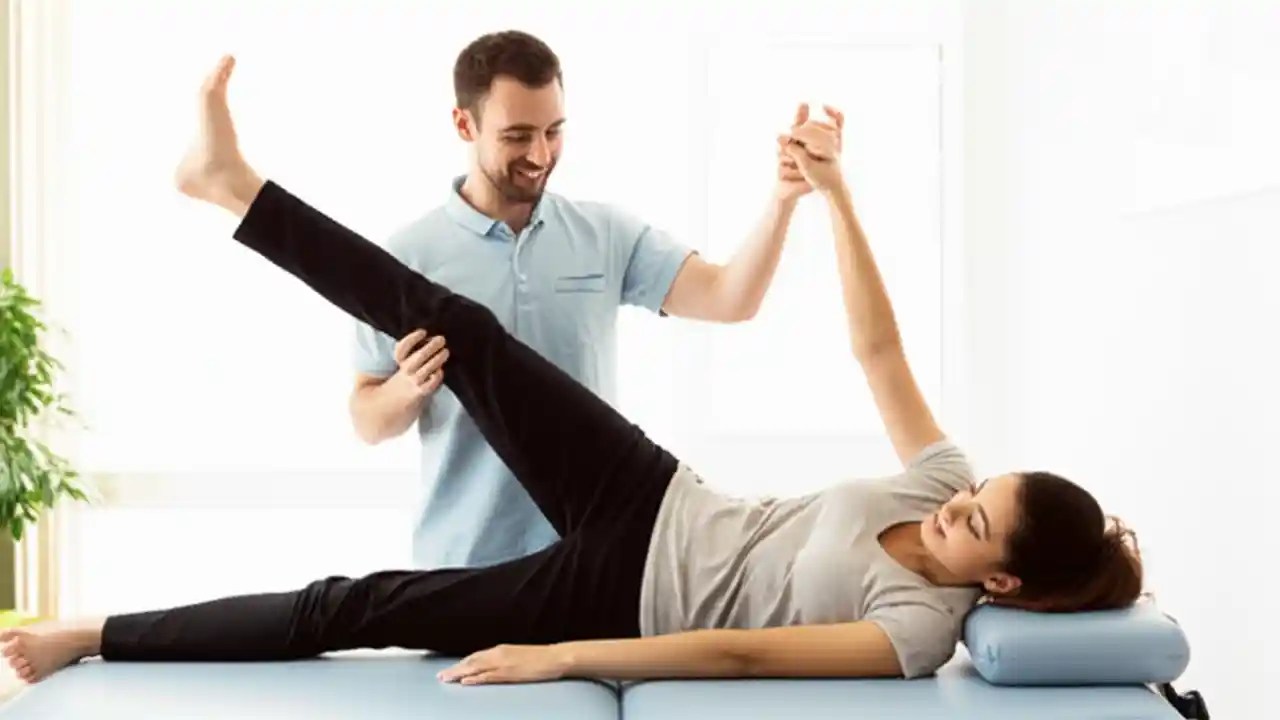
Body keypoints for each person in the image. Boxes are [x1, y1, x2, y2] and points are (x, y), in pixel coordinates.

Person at [0, 56, 1143, 686]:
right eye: (974, 491)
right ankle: (233, 185)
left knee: (361, 608)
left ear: (991, 586)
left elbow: (740, 652)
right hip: (652, 492)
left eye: (970, 525)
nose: (953, 503)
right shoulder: (935, 480)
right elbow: (877, 349)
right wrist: (830, 194)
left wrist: (566, 659)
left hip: (620, 593)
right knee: (465, 329)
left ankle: (89, 634)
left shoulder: (914, 629)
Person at [350, 30, 816, 570]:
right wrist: (408, 388)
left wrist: (782, 201)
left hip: (586, 562)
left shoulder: (604, 234)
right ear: (464, 125)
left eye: (554, 131)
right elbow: (366, 417)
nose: (540, 155)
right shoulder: (406, 258)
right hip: (462, 570)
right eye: (517, 136)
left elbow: (730, 297)